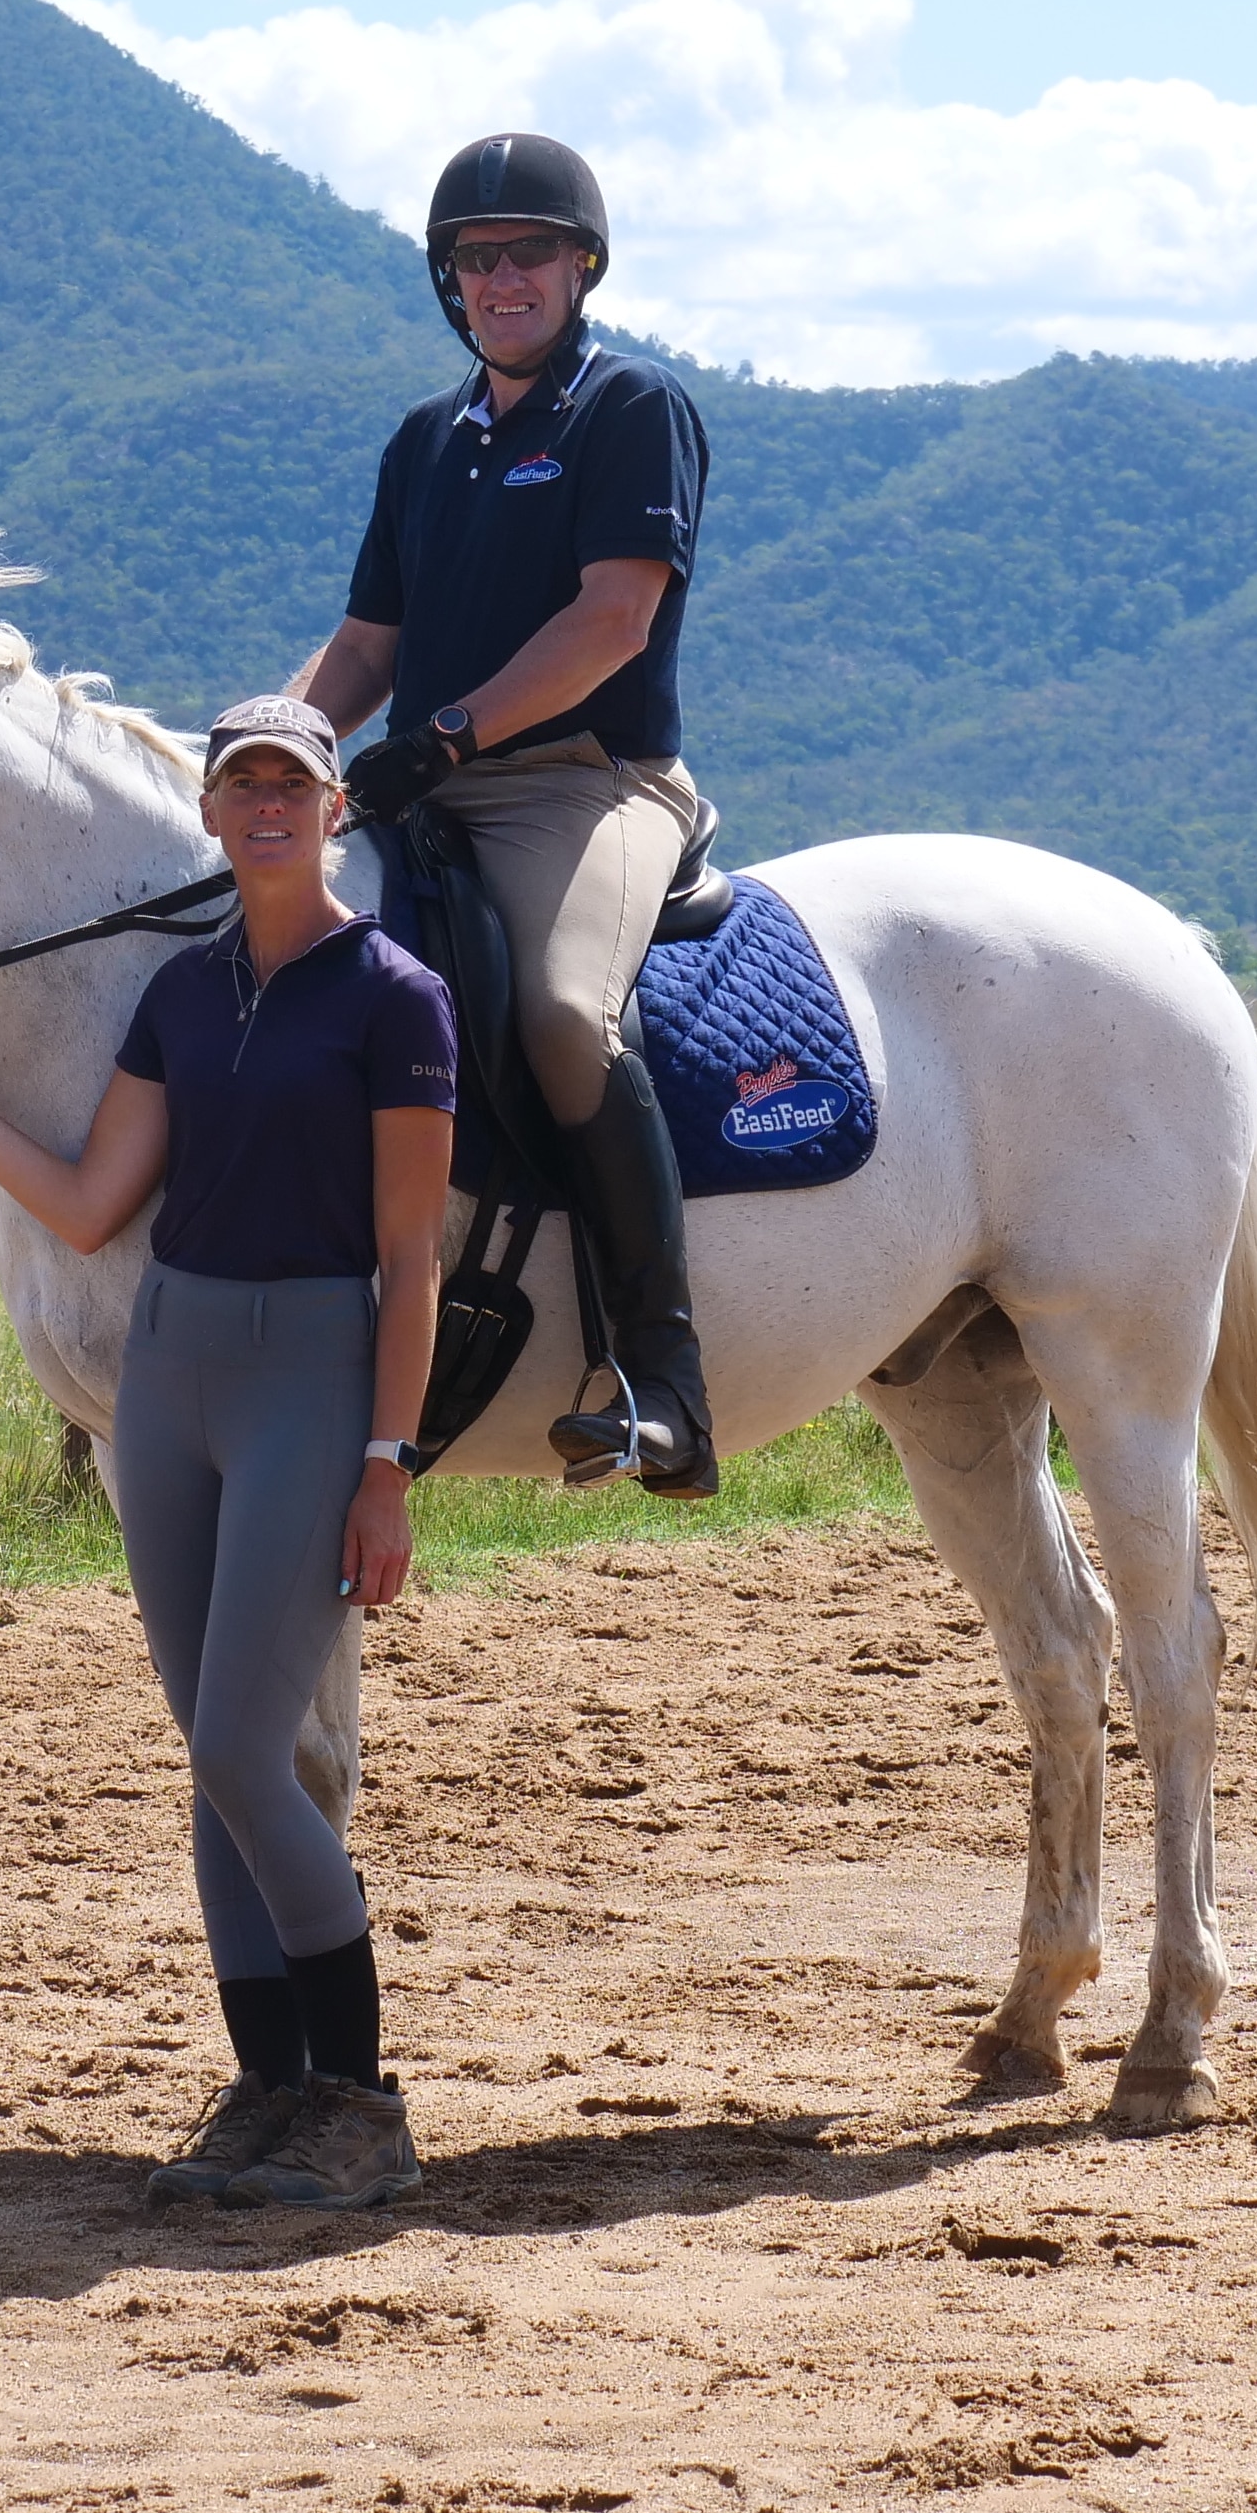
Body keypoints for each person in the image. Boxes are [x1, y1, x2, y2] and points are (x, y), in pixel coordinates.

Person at [0, 696, 458, 2212]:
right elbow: (83, 1199)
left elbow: (411, 1251)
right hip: (171, 1370)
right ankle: (265, 2090)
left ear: (334, 812)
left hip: (310, 1378)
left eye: (292, 786)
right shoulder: (183, 995)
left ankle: (361, 2103)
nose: (265, 807)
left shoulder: (396, 996)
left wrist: (387, 1460)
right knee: (211, 1757)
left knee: (254, 1750)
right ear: (208, 811)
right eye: (240, 784)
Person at [293, 130, 722, 1498]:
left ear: (581, 267)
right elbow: (369, 641)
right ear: (450, 285)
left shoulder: (628, 410)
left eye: (529, 253)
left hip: (586, 785)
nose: (504, 279)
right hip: (427, 782)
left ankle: (664, 1379)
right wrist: (288, 743)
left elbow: (613, 620)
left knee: (554, 1013)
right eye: (478, 261)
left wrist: (453, 734)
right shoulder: (427, 441)